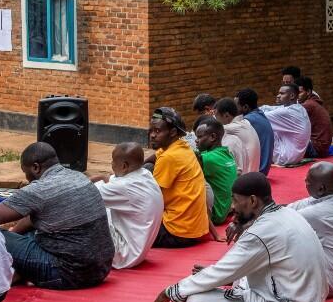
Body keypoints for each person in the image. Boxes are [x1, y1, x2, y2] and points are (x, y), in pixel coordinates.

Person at [154, 173, 327, 302]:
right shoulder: (287, 213)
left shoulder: (261, 232)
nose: (233, 206)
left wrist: (172, 291)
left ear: (252, 201)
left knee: (197, 301)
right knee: (233, 275)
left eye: (236, 201)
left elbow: (222, 271)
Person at [0, 142, 114, 290]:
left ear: (36, 167)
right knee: (27, 232)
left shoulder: (39, 189)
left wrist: (11, 240)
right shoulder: (79, 177)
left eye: (25, 172)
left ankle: (18, 270)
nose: (27, 178)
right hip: (101, 269)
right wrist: (15, 234)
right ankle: (21, 270)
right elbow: (32, 219)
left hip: (68, 274)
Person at [287, 162, 333, 297]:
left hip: (328, 283)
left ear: (321, 188)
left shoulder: (321, 212)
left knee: (276, 240)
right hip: (332, 277)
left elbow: (280, 221)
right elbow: (288, 209)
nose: (305, 182)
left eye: (308, 181)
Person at [145, 107, 210, 248]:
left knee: (124, 224)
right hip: (194, 229)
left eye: (158, 131)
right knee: (147, 168)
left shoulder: (169, 157)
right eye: (151, 130)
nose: (152, 135)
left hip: (177, 233)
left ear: (173, 132)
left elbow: (152, 200)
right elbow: (154, 157)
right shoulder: (182, 147)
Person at [93, 142, 163, 270]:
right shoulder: (145, 174)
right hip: (138, 251)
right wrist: (102, 177)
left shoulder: (124, 187)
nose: (112, 164)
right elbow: (111, 180)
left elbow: (87, 193)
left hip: (123, 256)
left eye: (113, 161)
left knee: (87, 206)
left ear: (124, 166)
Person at [195, 116, 238, 226]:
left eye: (199, 137)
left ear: (212, 137)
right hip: (225, 210)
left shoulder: (208, 159)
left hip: (214, 215)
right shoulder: (226, 153)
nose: (196, 140)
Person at [262, 83, 313, 165]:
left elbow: (258, 116)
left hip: (284, 157)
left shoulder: (288, 112)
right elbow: (267, 108)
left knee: (260, 125)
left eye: (282, 93)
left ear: (292, 96)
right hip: (295, 156)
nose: (278, 96)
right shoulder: (299, 108)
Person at [214, 97, 261, 176]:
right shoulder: (245, 123)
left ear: (226, 115)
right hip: (255, 172)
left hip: (247, 176)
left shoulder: (231, 127)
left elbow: (211, 130)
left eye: (216, 117)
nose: (216, 120)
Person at [237, 88, 275, 175]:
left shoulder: (248, 120)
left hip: (256, 171)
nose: (234, 109)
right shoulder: (260, 114)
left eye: (236, 106)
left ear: (245, 107)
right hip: (264, 170)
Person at [296, 76, 333, 158]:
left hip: (317, 148)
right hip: (322, 147)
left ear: (308, 92)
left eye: (299, 92)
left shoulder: (308, 105)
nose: (296, 96)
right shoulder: (313, 101)